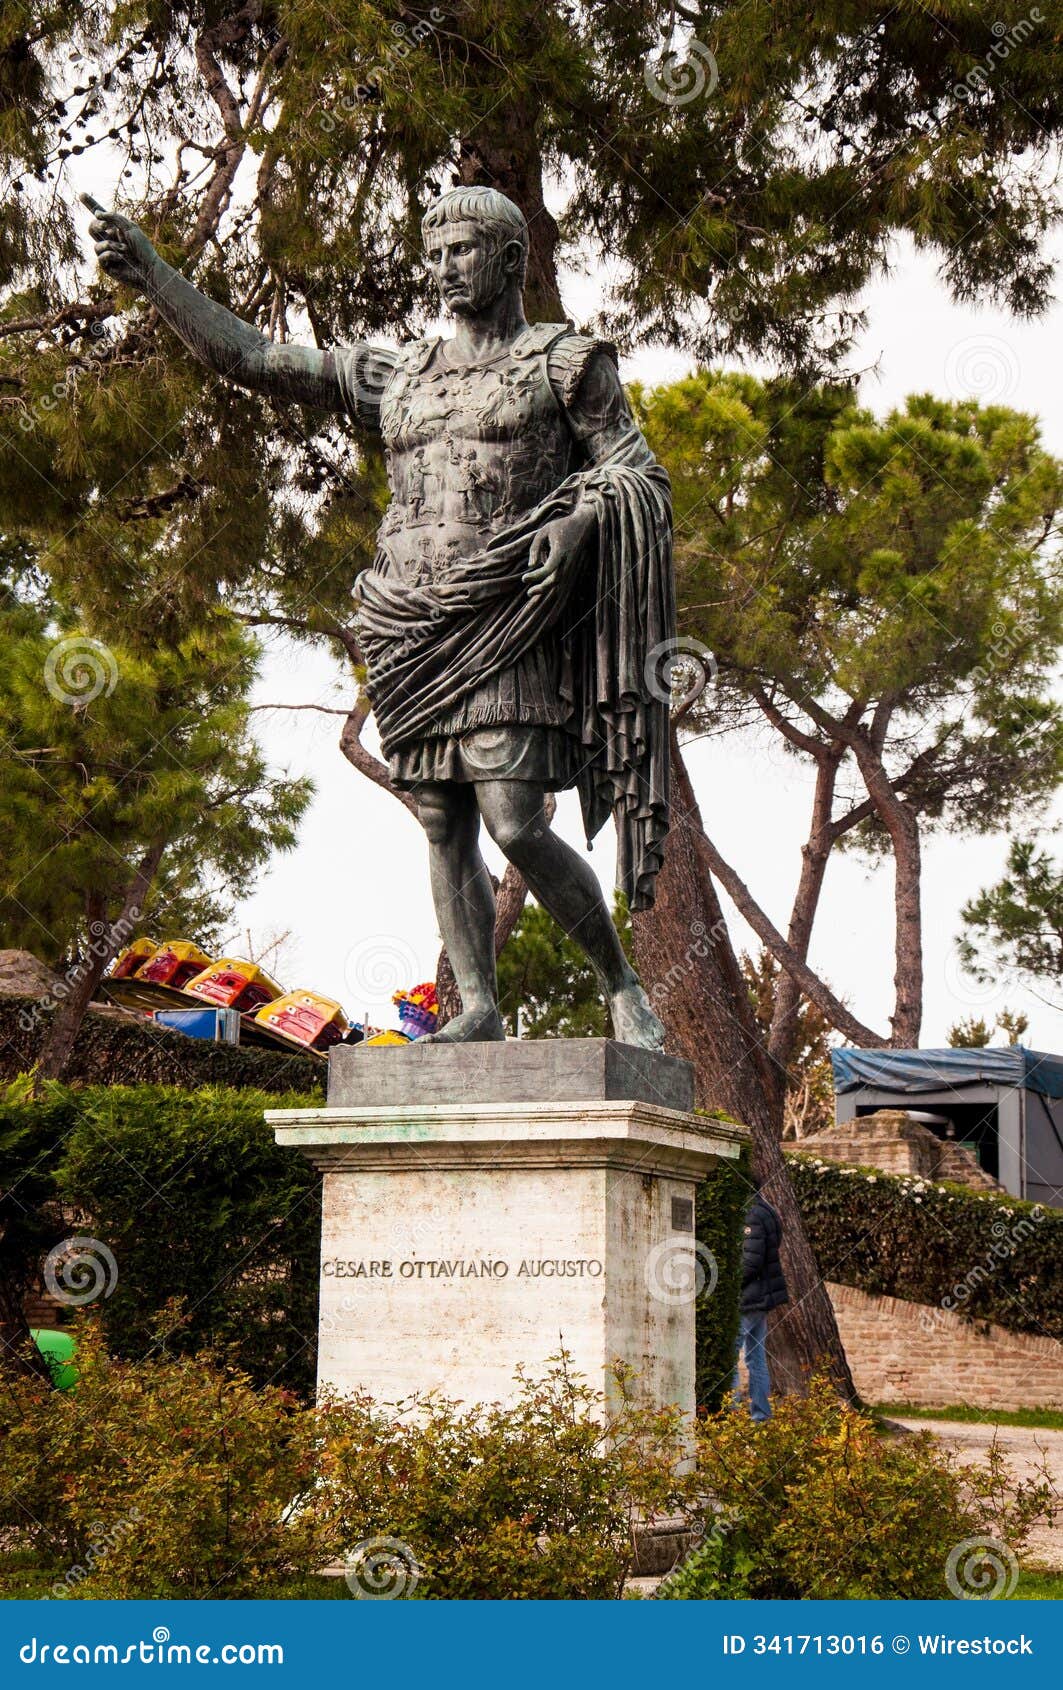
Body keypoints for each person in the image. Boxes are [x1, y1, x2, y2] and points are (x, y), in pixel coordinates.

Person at [81, 185, 674, 1050]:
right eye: (433, 256)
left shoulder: (564, 364)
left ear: (511, 260)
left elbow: (637, 474)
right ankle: (477, 1006)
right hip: (406, 619)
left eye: (461, 252)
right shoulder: (399, 374)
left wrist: (583, 517)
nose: (444, 270)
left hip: (507, 612)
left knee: (513, 819)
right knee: (440, 819)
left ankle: (621, 985)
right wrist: (154, 276)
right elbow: (253, 357)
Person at [733, 1185, 789, 1422]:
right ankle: (761, 1416)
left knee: (731, 1355)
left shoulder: (751, 1215)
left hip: (750, 1298)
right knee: (756, 1358)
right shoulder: (766, 1210)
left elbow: (750, 1261)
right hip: (762, 1296)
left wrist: (730, 1284)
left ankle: (731, 1415)